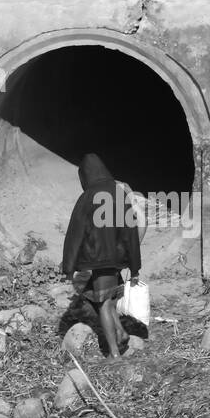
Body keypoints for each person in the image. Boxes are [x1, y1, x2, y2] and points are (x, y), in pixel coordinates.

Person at [61, 153, 142, 358]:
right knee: (104, 297)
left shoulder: (86, 198)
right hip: (117, 258)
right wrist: (134, 266)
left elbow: (74, 234)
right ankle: (121, 334)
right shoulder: (118, 193)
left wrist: (69, 268)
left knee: (104, 304)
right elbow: (130, 231)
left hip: (99, 260)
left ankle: (114, 354)